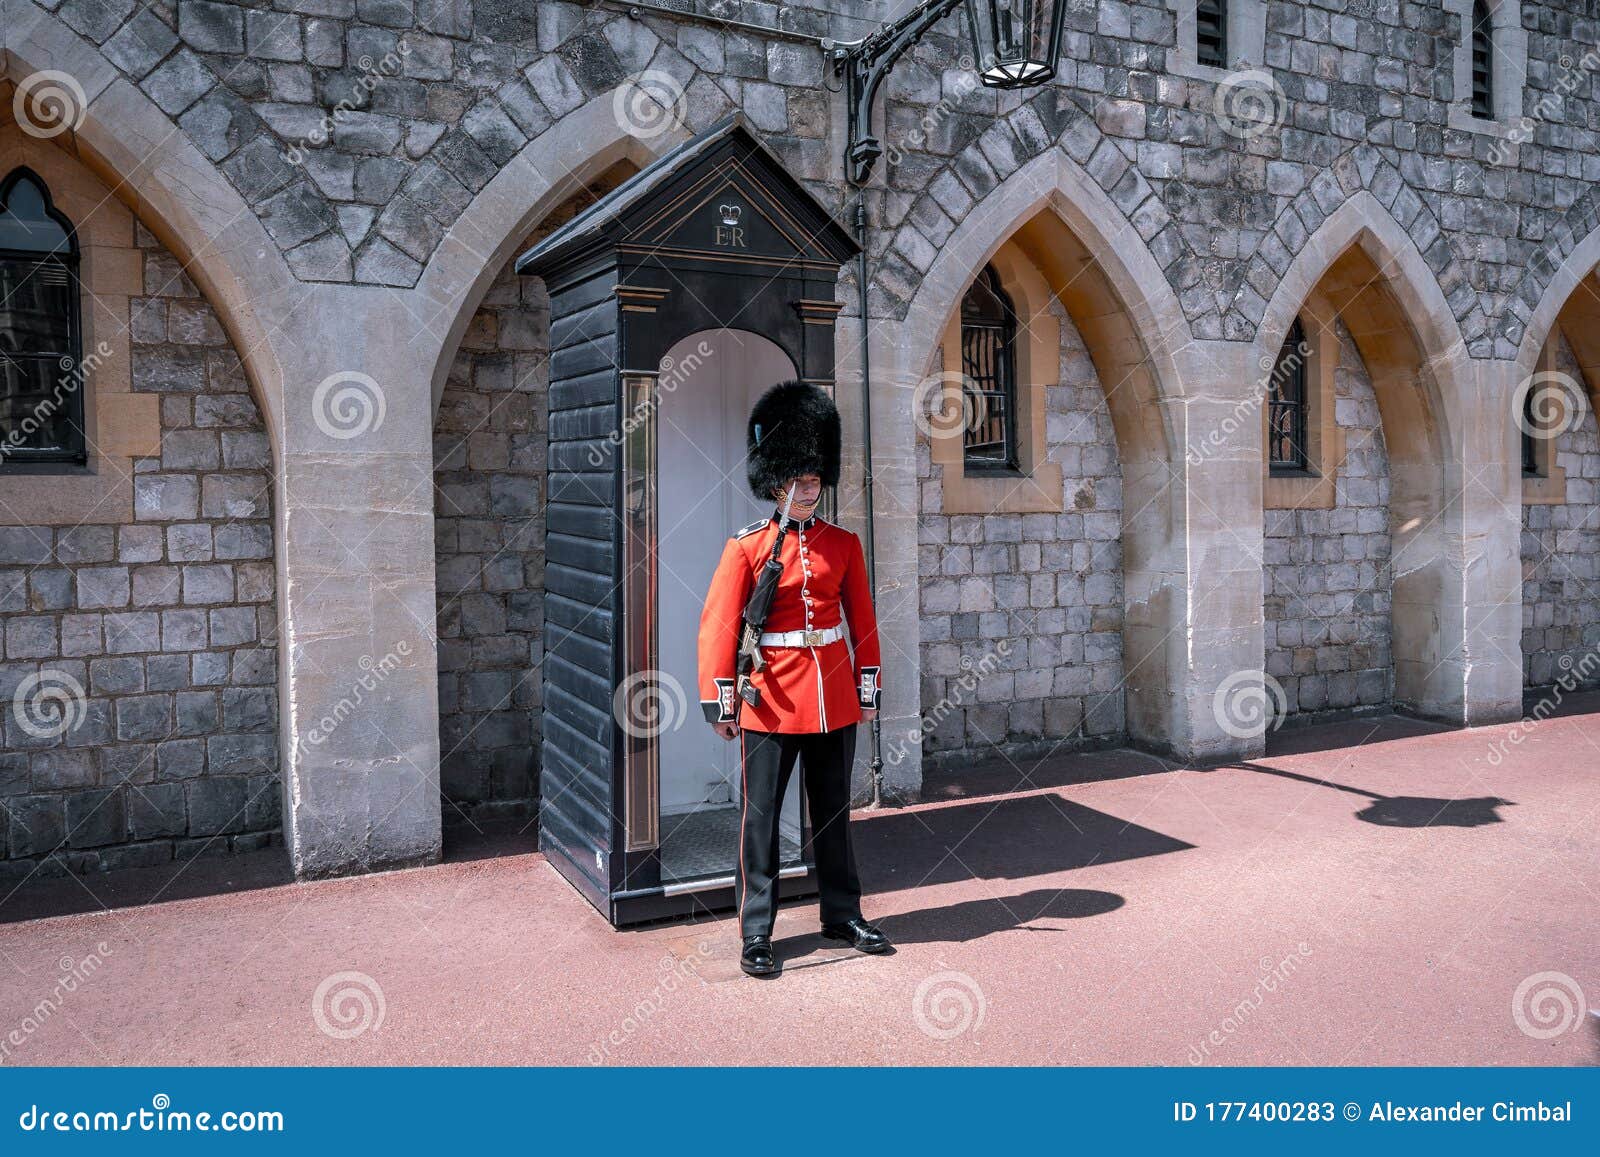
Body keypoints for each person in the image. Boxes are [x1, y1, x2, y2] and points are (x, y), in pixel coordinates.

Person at [697, 380, 891, 977]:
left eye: (815, 480)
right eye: (799, 481)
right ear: (776, 481)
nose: (810, 491)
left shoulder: (844, 545)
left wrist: (868, 687)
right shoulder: (748, 548)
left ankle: (841, 913)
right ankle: (757, 932)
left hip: (832, 697)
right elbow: (717, 628)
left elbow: (861, 622)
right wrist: (722, 702)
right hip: (772, 698)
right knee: (759, 821)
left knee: (833, 812)